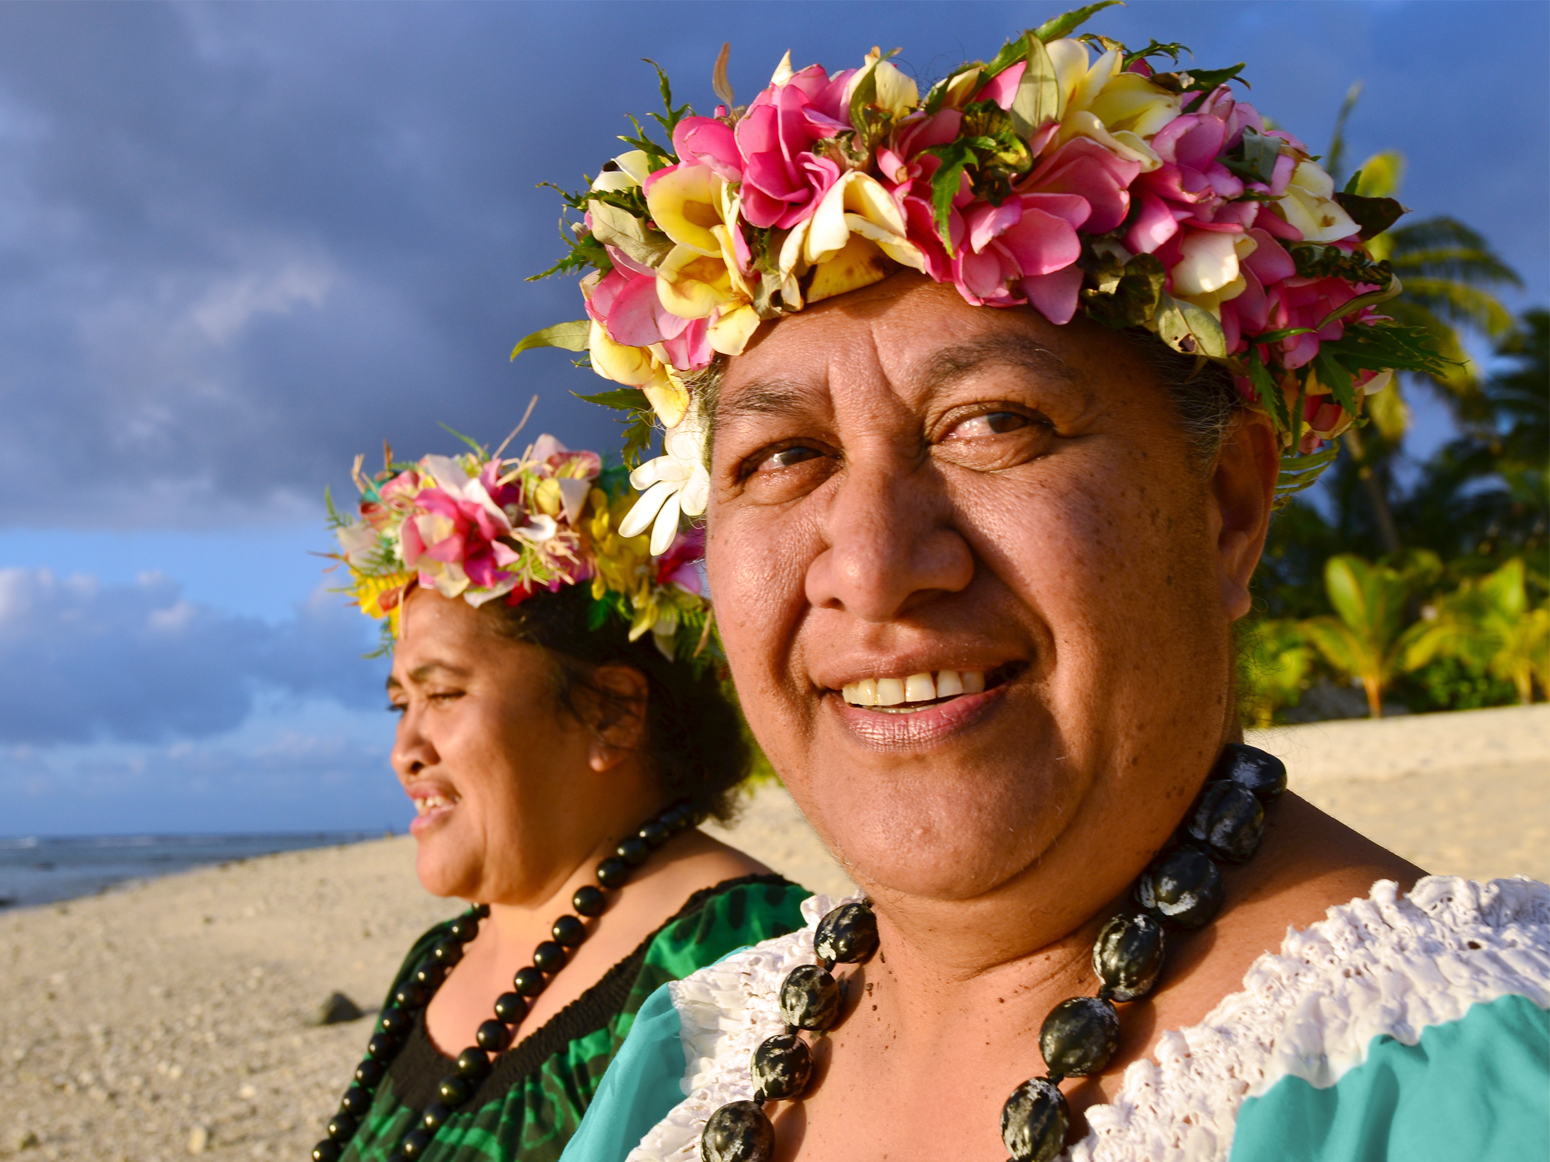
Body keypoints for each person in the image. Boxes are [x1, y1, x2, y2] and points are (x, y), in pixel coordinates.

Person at [515, 12, 1550, 1162]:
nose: (869, 567)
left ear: (1226, 511)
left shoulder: (1453, 1078)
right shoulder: (689, 1052)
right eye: (781, 457)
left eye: (992, 424)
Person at [309, 434, 811, 1162]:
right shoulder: (440, 956)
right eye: (400, 704)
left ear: (612, 712)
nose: (405, 752)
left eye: (444, 694)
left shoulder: (740, 956)